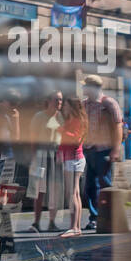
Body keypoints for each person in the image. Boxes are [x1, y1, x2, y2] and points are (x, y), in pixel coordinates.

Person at [82, 74, 122, 232]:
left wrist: (116, 149)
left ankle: (110, 217)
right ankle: (94, 218)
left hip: (104, 149)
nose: (83, 89)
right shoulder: (84, 104)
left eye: (85, 86)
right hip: (88, 149)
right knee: (90, 186)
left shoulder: (108, 103)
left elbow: (118, 126)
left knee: (105, 184)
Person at [29, 91, 64, 233]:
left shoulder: (61, 117)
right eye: (57, 99)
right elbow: (32, 138)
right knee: (39, 190)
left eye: (61, 100)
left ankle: (52, 222)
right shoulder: (39, 116)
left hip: (56, 154)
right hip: (41, 153)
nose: (59, 102)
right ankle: (36, 222)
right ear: (49, 101)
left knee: (54, 190)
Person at [58, 97, 88, 238]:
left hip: (74, 158)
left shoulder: (76, 121)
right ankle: (76, 227)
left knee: (72, 193)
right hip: (72, 158)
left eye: (66, 105)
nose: (64, 107)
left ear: (72, 107)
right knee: (74, 193)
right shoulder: (71, 120)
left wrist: (61, 130)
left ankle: (74, 227)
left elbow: (75, 140)